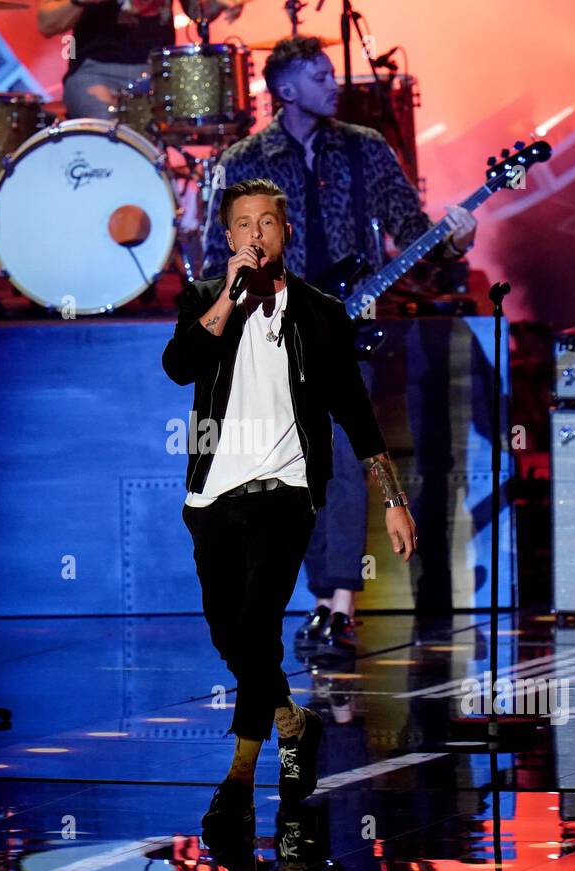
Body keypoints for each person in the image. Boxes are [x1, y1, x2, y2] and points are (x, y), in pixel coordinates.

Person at [163, 177, 417, 858]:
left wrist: (391, 496)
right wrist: (226, 298)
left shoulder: (319, 313)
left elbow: (354, 412)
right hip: (213, 494)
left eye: (267, 223)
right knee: (229, 630)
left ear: (286, 233)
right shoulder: (202, 303)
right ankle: (289, 718)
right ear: (227, 237)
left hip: (286, 490)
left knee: (256, 621)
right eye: (243, 224)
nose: (255, 235)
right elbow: (178, 365)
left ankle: (239, 782)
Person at [200, 35, 477, 651]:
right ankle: (321, 596)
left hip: (350, 329)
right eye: (321, 77)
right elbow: (217, 256)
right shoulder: (246, 159)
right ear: (286, 90)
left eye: (332, 75)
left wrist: (454, 240)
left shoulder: (366, 150)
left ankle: (338, 603)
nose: (335, 85)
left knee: (346, 463)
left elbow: (411, 234)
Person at [38, 0, 243, 121]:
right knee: (111, 138)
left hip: (158, 73)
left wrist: (220, 3)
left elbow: (199, 10)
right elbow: (47, 23)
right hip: (95, 73)